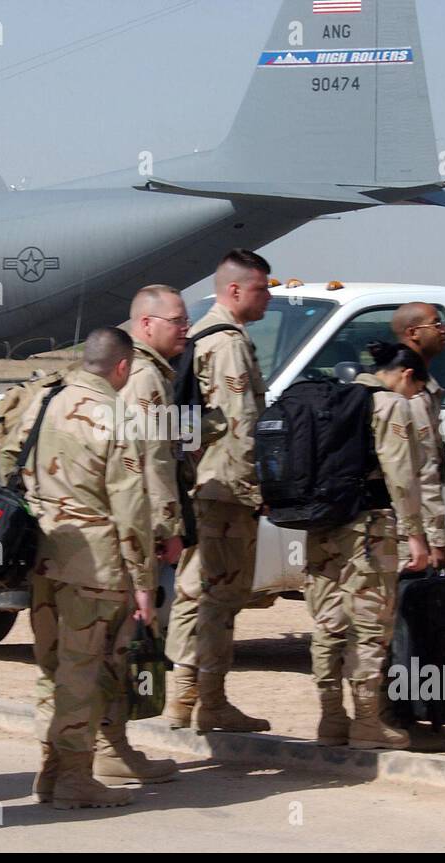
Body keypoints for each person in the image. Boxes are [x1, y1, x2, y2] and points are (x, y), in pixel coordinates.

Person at [4, 327, 155, 809]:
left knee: (52, 667)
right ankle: (73, 776)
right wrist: (144, 580)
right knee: (83, 671)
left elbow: (13, 459)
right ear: (123, 368)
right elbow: (131, 507)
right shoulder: (118, 417)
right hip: (95, 566)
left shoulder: (42, 401)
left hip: (43, 556)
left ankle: (50, 770)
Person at [77, 284, 192, 787]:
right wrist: (168, 527)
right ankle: (111, 747)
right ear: (146, 325)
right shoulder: (145, 378)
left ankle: (106, 744)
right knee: (122, 642)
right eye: (177, 321)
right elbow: (151, 459)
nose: (185, 329)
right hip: (133, 531)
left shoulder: (139, 373)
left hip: (114, 528)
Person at [164, 249, 272, 733]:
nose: (266, 296)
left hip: (202, 483)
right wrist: (256, 490)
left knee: (194, 589)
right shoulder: (226, 343)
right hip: (227, 489)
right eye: (260, 288)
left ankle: (182, 696)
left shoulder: (199, 336)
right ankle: (209, 699)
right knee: (222, 594)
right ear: (234, 290)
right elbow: (240, 425)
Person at [306, 341, 428, 748]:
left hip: (321, 526)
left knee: (328, 623)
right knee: (370, 626)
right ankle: (366, 723)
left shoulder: (332, 396)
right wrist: (415, 533)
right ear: (407, 376)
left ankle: (330, 719)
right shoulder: (390, 404)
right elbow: (401, 475)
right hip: (368, 528)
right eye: (416, 389)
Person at [391, 302, 445, 570]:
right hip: (407, 531)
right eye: (436, 324)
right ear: (413, 333)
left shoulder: (420, 384)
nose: (443, 330)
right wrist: (436, 541)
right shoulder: (410, 391)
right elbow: (423, 473)